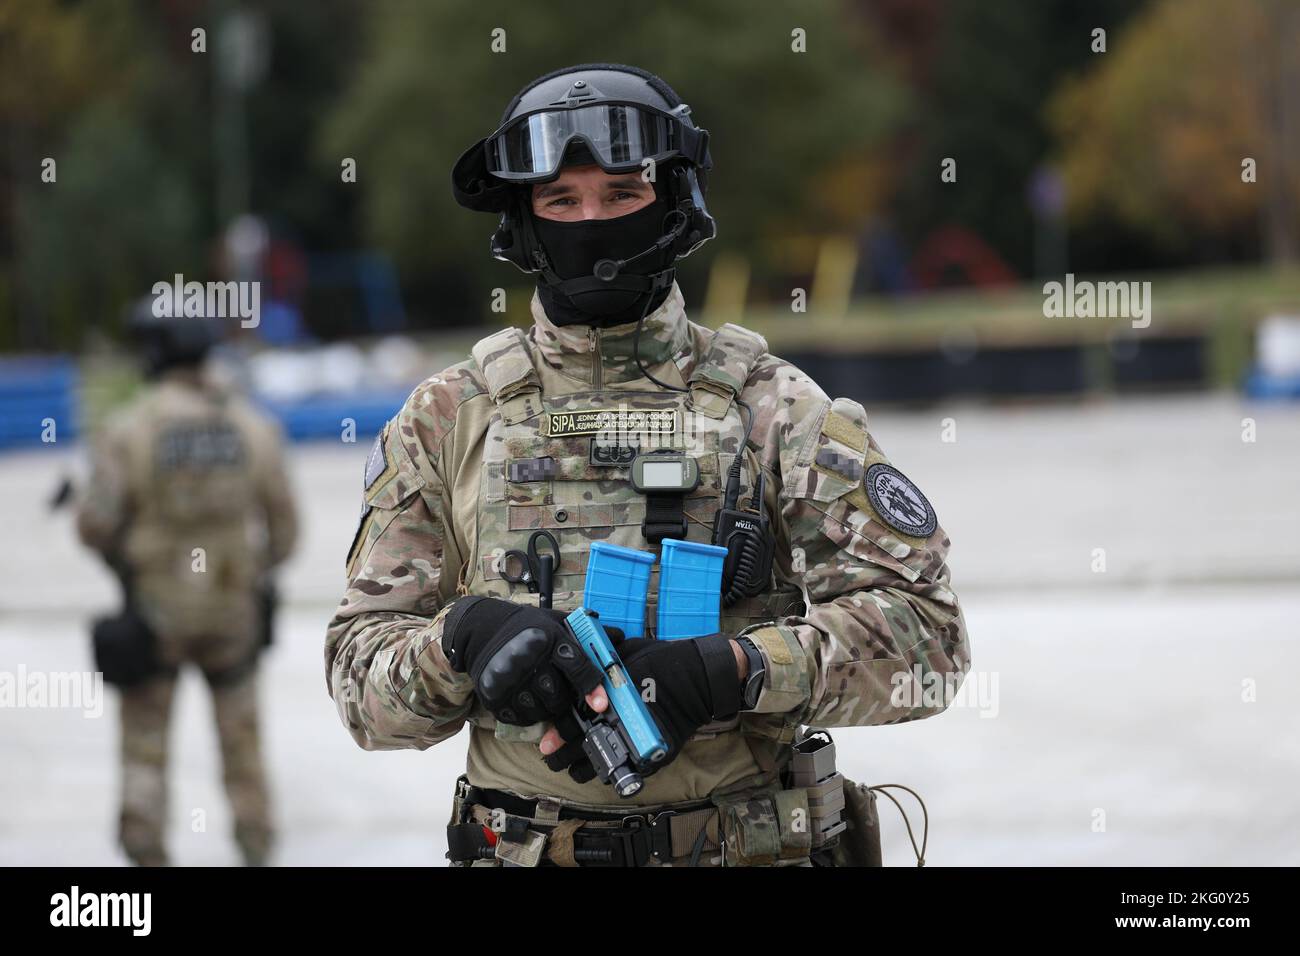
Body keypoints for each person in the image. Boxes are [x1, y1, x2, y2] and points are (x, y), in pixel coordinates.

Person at [326, 63, 970, 867]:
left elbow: (933, 644)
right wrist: (460, 642)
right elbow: (361, 693)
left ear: (670, 205)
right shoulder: (450, 417)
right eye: (561, 201)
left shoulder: (774, 408)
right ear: (524, 222)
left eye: (620, 195)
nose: (590, 221)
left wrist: (737, 669)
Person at [77, 305, 298, 866]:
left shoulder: (129, 429)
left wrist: (132, 560)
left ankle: (146, 855)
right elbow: (286, 531)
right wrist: (249, 573)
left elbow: (94, 525)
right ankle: (255, 847)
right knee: (243, 748)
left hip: (155, 614)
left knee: (145, 749)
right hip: (232, 614)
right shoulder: (252, 425)